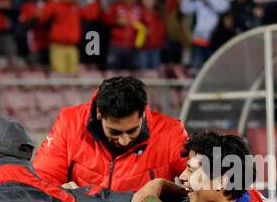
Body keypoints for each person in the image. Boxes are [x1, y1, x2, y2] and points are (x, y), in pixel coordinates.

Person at [32, 75, 189, 195]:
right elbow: (40, 182)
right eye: (114, 132)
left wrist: (161, 185)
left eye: (132, 131)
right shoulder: (69, 123)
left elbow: (207, 185)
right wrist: (64, 193)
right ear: (99, 113)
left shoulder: (172, 131)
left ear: (142, 114)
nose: (124, 141)